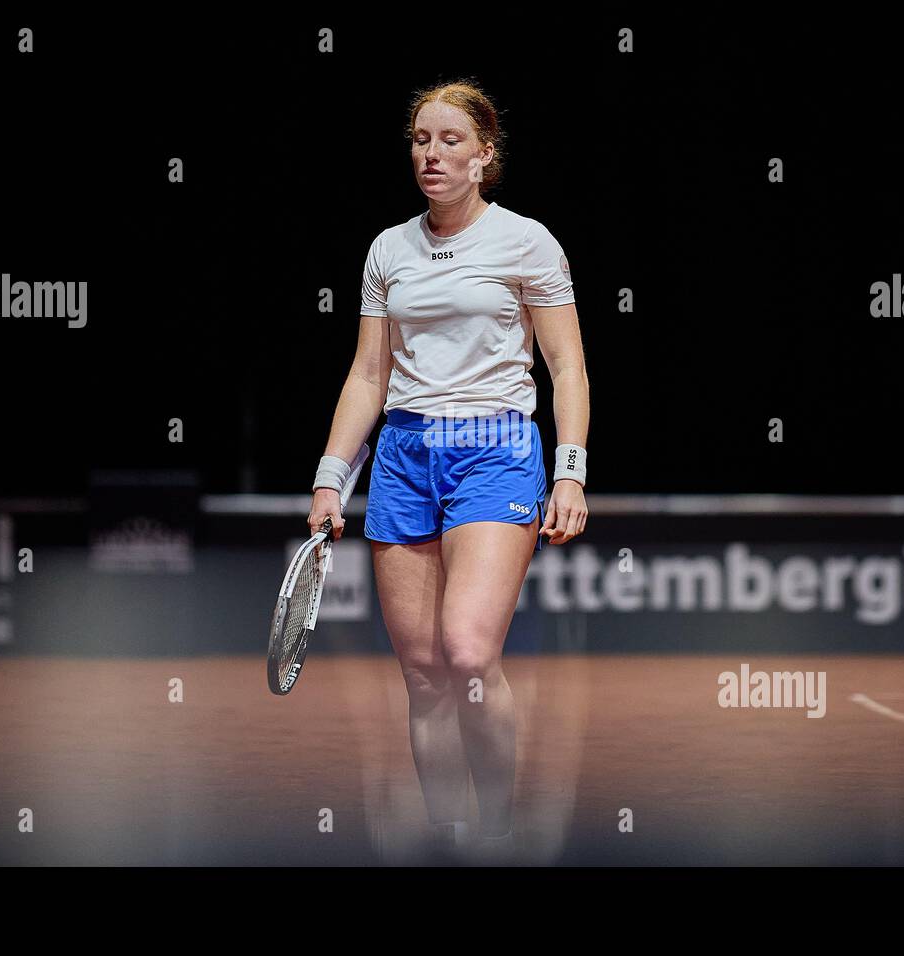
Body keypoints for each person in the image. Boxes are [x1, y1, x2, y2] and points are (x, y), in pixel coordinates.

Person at [308, 79, 589, 863]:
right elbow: (368, 374)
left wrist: (569, 473)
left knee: (467, 653)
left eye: (450, 141)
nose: (431, 155)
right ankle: (446, 841)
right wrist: (334, 476)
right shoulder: (387, 249)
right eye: (421, 140)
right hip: (402, 457)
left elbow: (567, 368)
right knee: (426, 675)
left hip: (497, 448)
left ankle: (498, 832)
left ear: (484, 155)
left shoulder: (528, 242)